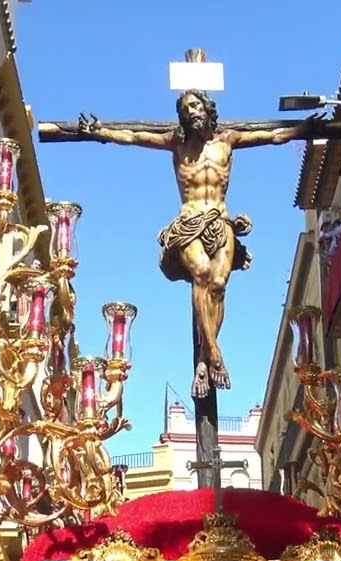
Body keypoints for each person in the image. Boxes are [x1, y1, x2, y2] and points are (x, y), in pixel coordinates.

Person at [73, 91, 322, 397]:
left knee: (218, 285)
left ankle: (203, 361)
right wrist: (101, 132)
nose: (191, 110)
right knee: (202, 273)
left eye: (195, 104)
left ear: (207, 108)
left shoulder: (227, 141)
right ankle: (215, 354)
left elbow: (273, 135)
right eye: (185, 107)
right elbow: (134, 136)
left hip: (220, 220)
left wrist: (303, 130)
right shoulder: (176, 145)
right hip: (189, 222)